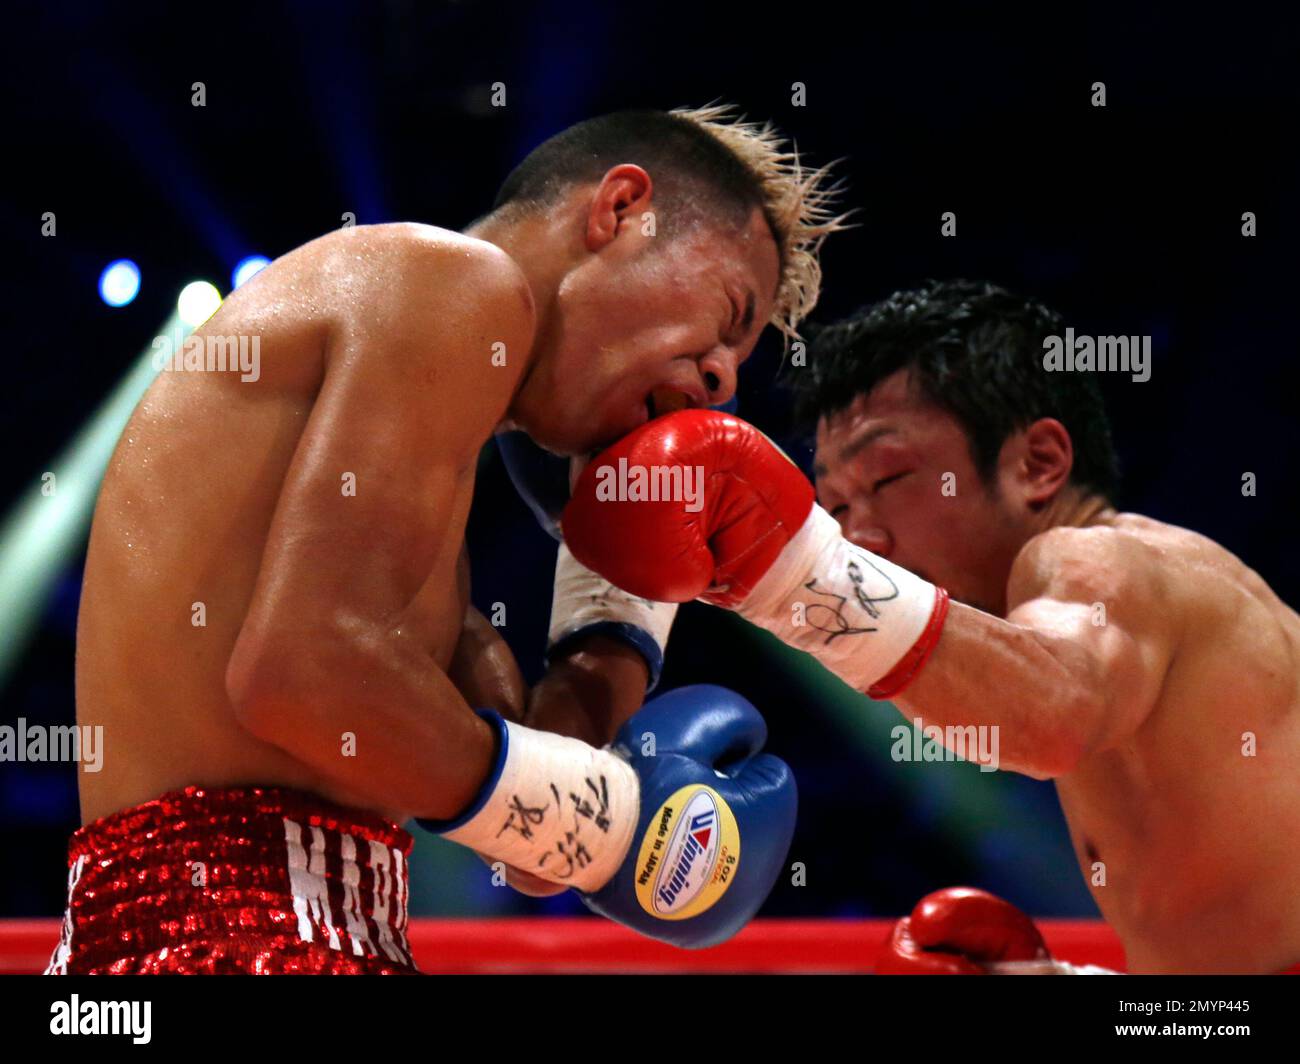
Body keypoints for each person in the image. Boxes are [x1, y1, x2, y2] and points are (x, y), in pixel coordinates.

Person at [49, 106, 843, 973]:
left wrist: (618, 605)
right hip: (237, 937)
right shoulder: (454, 279)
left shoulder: (397, 528)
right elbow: (301, 677)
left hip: (242, 936)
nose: (725, 377)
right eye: (729, 315)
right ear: (619, 208)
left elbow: (522, 841)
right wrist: (607, 827)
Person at [561, 280, 1300, 974]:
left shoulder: (1096, 559)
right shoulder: (1120, 616)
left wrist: (792, 574)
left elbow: (1052, 718)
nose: (861, 542)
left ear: (1038, 464)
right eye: (837, 511)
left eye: (888, 480)